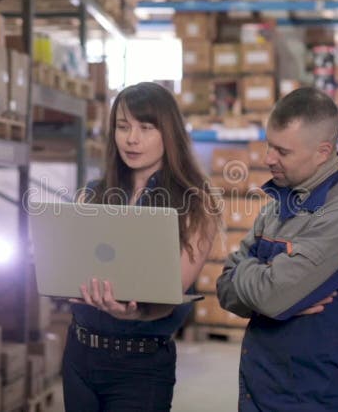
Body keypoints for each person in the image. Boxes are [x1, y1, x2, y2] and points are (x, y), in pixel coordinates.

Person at [216, 87, 338, 411]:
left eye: (282, 151)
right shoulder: (281, 203)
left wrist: (263, 285)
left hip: (312, 400)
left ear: (323, 152)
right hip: (260, 394)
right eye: (269, 146)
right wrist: (269, 285)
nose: (268, 159)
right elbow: (225, 287)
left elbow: (272, 297)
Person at [63, 82, 222, 412]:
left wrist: (133, 310)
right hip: (80, 354)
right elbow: (73, 264)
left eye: (146, 128)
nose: (131, 138)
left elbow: (173, 288)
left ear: (169, 133)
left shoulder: (196, 204)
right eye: (123, 127)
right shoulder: (90, 195)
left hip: (140, 365)